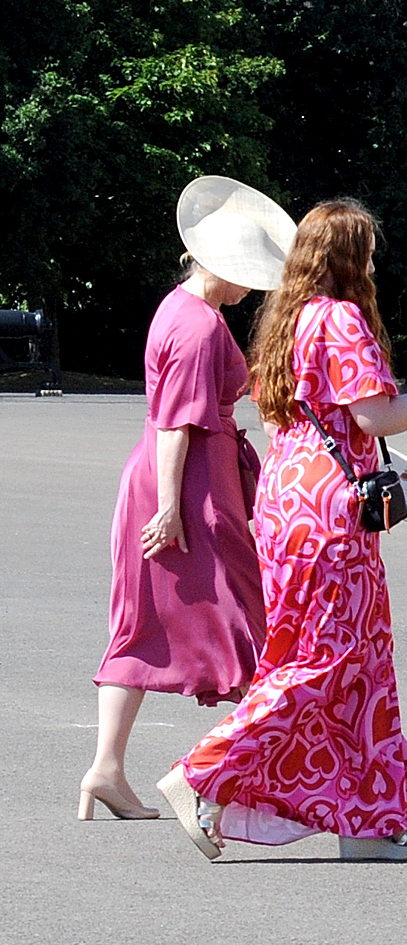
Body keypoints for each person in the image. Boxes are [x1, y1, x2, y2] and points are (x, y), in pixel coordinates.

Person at [156, 199, 407, 862]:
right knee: (332, 658)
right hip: (330, 513)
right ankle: (202, 770)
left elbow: (286, 414)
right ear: (348, 258)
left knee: (352, 661)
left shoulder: (290, 317)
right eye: (368, 252)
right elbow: (375, 416)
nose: (374, 264)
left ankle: (368, 821)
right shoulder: (341, 317)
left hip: (290, 498)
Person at [80, 177, 294, 821]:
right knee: (250, 625)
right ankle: (250, 775)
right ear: (216, 265)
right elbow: (176, 423)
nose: (251, 287)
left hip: (179, 478)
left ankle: (106, 769)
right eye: (245, 274)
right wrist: (170, 508)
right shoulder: (199, 325)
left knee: (142, 623)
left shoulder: (183, 308)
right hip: (189, 485)